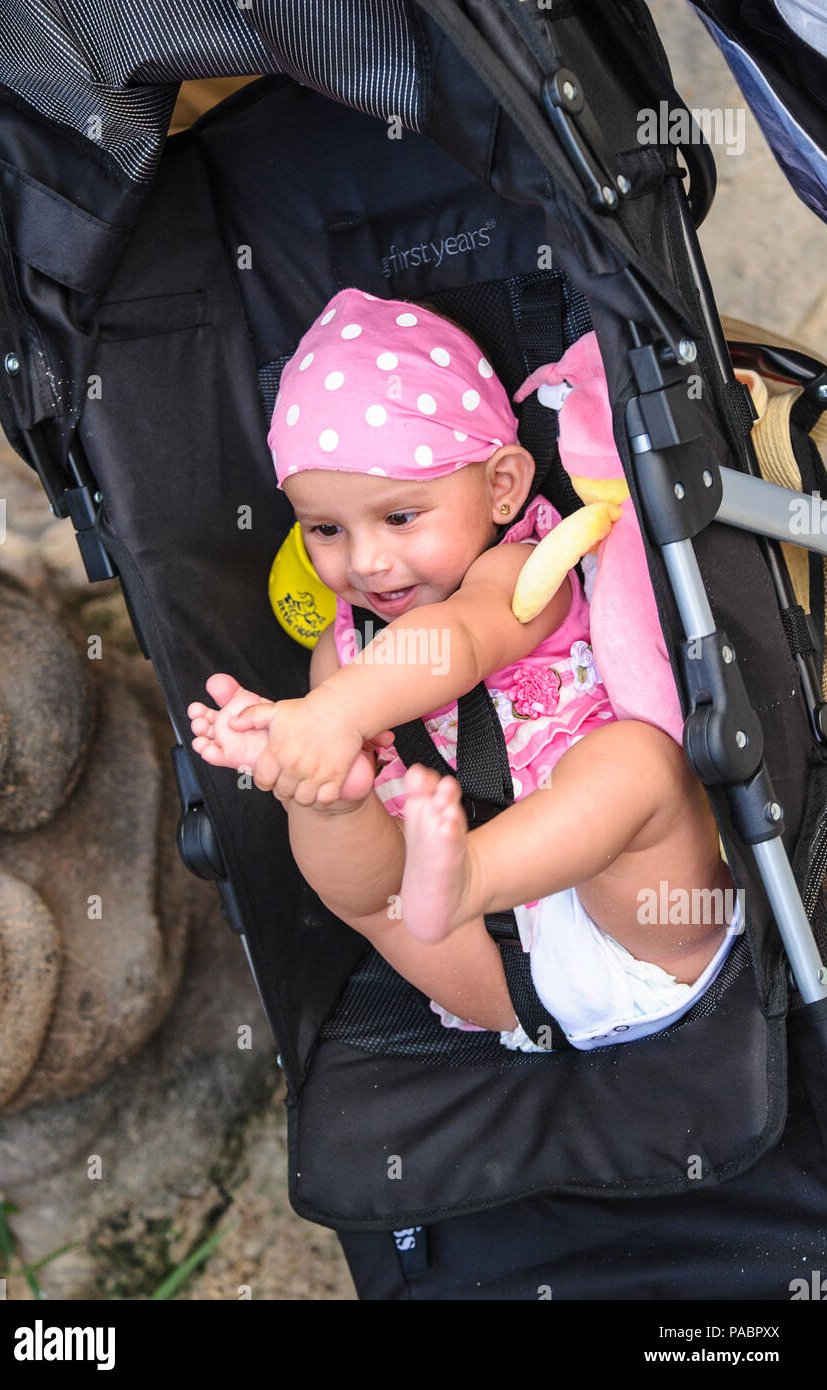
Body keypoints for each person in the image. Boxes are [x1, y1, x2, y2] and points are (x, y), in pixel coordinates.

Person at [187, 287, 740, 1052]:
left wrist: (338, 712)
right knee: (354, 862)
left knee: (638, 769)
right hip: (498, 981)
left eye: (400, 517)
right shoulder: (339, 653)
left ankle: (467, 875)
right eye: (325, 529)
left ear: (502, 486)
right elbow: (372, 876)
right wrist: (311, 763)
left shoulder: (525, 569)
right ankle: (368, 830)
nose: (367, 560)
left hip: (650, 927)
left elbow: (454, 643)